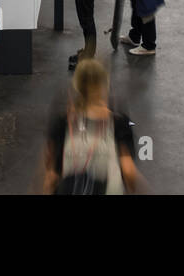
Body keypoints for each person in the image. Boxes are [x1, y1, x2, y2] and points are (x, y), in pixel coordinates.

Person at [41, 59, 143, 194]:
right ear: (104, 85)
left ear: (77, 86)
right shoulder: (119, 123)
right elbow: (128, 170)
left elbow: (51, 174)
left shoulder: (62, 122)